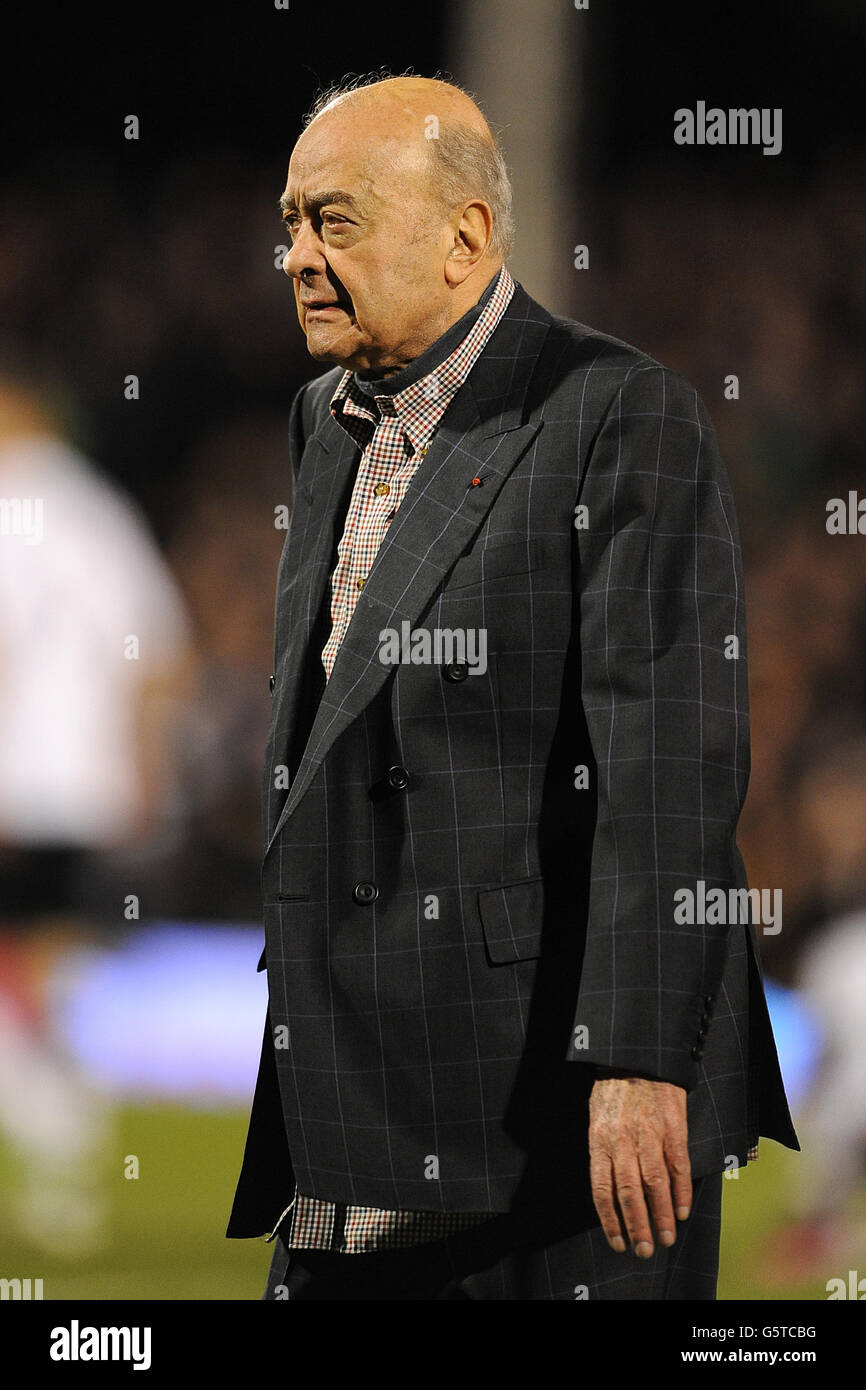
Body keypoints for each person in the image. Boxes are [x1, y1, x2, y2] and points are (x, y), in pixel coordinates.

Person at [226, 73, 798, 1301]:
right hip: (358, 1077)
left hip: (555, 1109)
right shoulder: (319, 423)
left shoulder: (614, 412)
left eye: (334, 221)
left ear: (464, 237)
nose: (295, 256)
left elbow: (668, 763)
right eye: (289, 223)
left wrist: (637, 1060)